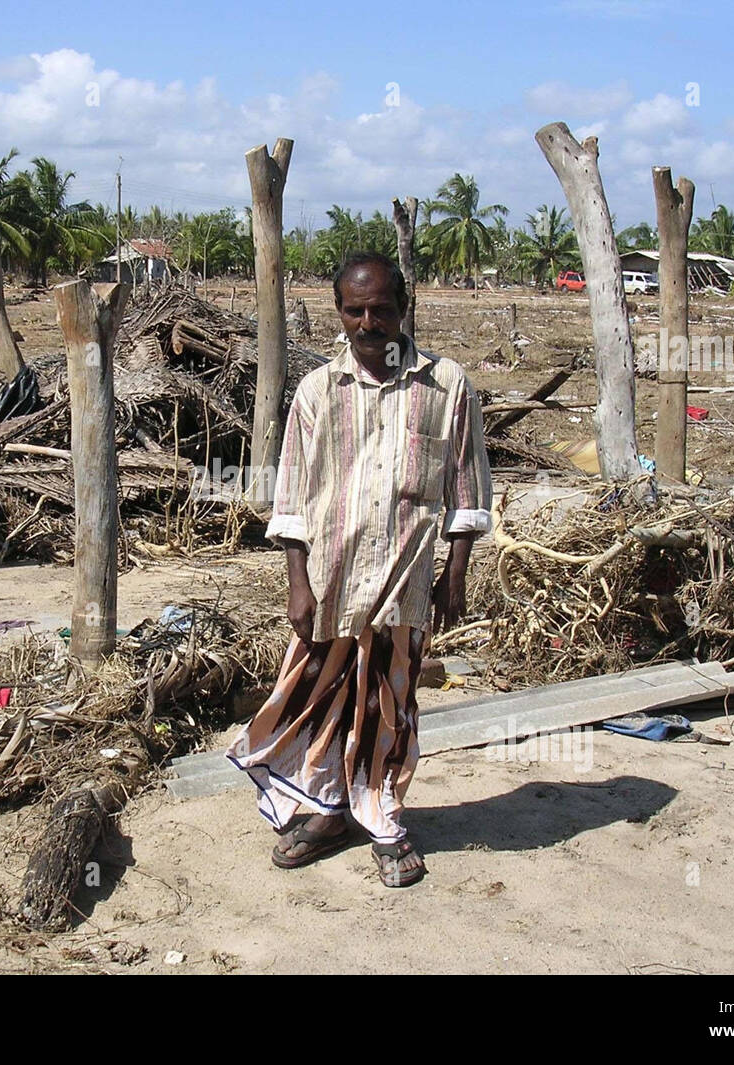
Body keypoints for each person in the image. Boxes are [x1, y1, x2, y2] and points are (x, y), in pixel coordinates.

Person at [226, 251, 493, 887]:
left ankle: (383, 815)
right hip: (331, 580)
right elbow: (291, 498)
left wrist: (454, 574)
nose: (368, 323)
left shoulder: (447, 385)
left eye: (381, 309)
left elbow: (467, 488)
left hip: (404, 578)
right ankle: (325, 810)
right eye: (355, 310)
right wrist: (298, 582)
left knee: (388, 702)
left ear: (404, 309)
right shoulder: (318, 391)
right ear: (339, 312)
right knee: (316, 700)